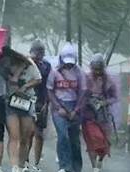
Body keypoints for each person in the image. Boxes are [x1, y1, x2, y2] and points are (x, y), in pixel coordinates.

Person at [47, 43, 86, 172]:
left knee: (74, 138)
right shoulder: (54, 72)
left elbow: (82, 92)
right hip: (59, 107)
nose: (69, 65)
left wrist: (76, 110)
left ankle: (76, 166)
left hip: (75, 106)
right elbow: (50, 90)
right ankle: (64, 166)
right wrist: (58, 107)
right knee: (63, 135)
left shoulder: (79, 72)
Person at [4, 47, 41, 172]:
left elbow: (38, 79)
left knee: (26, 135)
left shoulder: (31, 65)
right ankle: (14, 166)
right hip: (12, 102)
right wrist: (17, 71)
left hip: (27, 101)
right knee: (14, 135)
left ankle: (21, 164)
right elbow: (11, 82)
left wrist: (26, 85)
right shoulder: (8, 65)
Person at [82, 54, 118, 172]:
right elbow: (81, 95)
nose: (97, 71)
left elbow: (114, 97)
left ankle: (100, 160)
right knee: (93, 141)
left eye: (99, 68)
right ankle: (94, 168)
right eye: (95, 68)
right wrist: (88, 101)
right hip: (89, 115)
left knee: (105, 142)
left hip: (103, 115)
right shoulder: (86, 78)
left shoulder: (108, 80)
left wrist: (104, 102)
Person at [25, 40, 52, 172]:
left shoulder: (46, 66)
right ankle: (25, 161)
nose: (38, 56)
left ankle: (36, 163)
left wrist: (47, 102)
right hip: (27, 100)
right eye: (36, 54)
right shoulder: (25, 64)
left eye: (40, 54)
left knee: (39, 134)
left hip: (41, 101)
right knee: (29, 133)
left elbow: (48, 86)